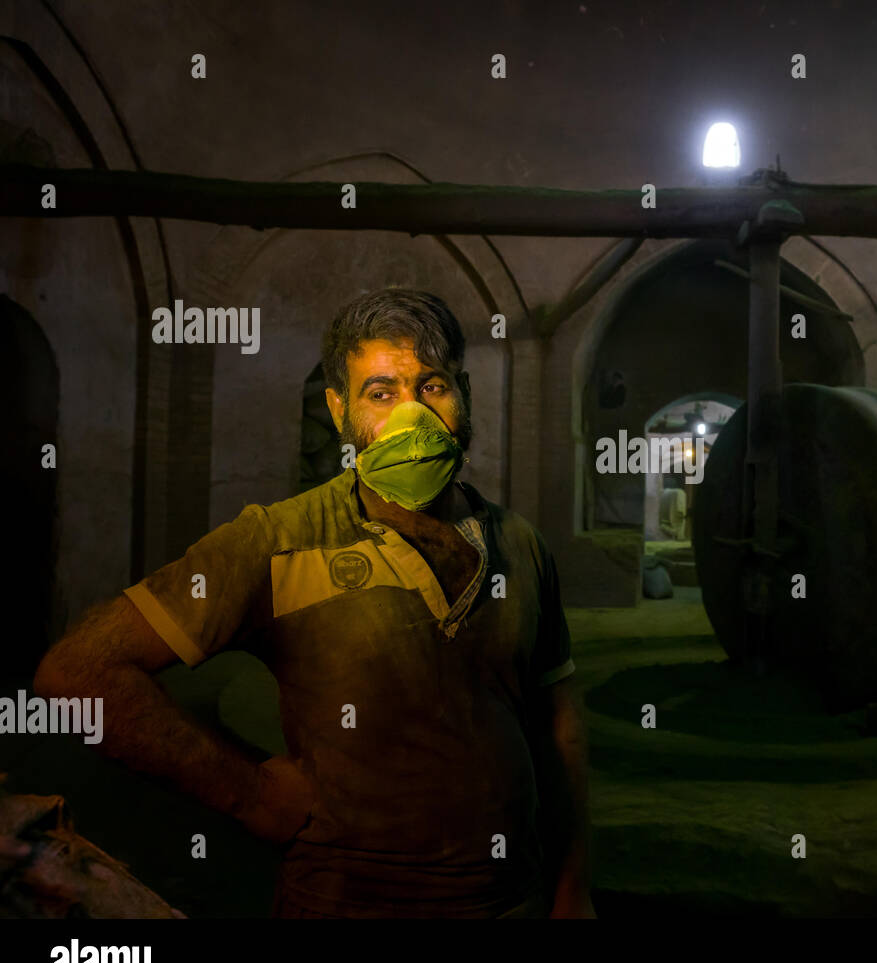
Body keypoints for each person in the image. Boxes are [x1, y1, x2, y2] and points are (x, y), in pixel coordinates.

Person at [34, 288, 594, 918]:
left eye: (431, 387)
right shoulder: (275, 541)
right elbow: (77, 672)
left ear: (462, 394)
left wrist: (571, 889)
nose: (412, 417)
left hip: (510, 904)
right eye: (380, 394)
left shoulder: (521, 544)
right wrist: (249, 794)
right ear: (339, 410)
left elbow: (557, 721)